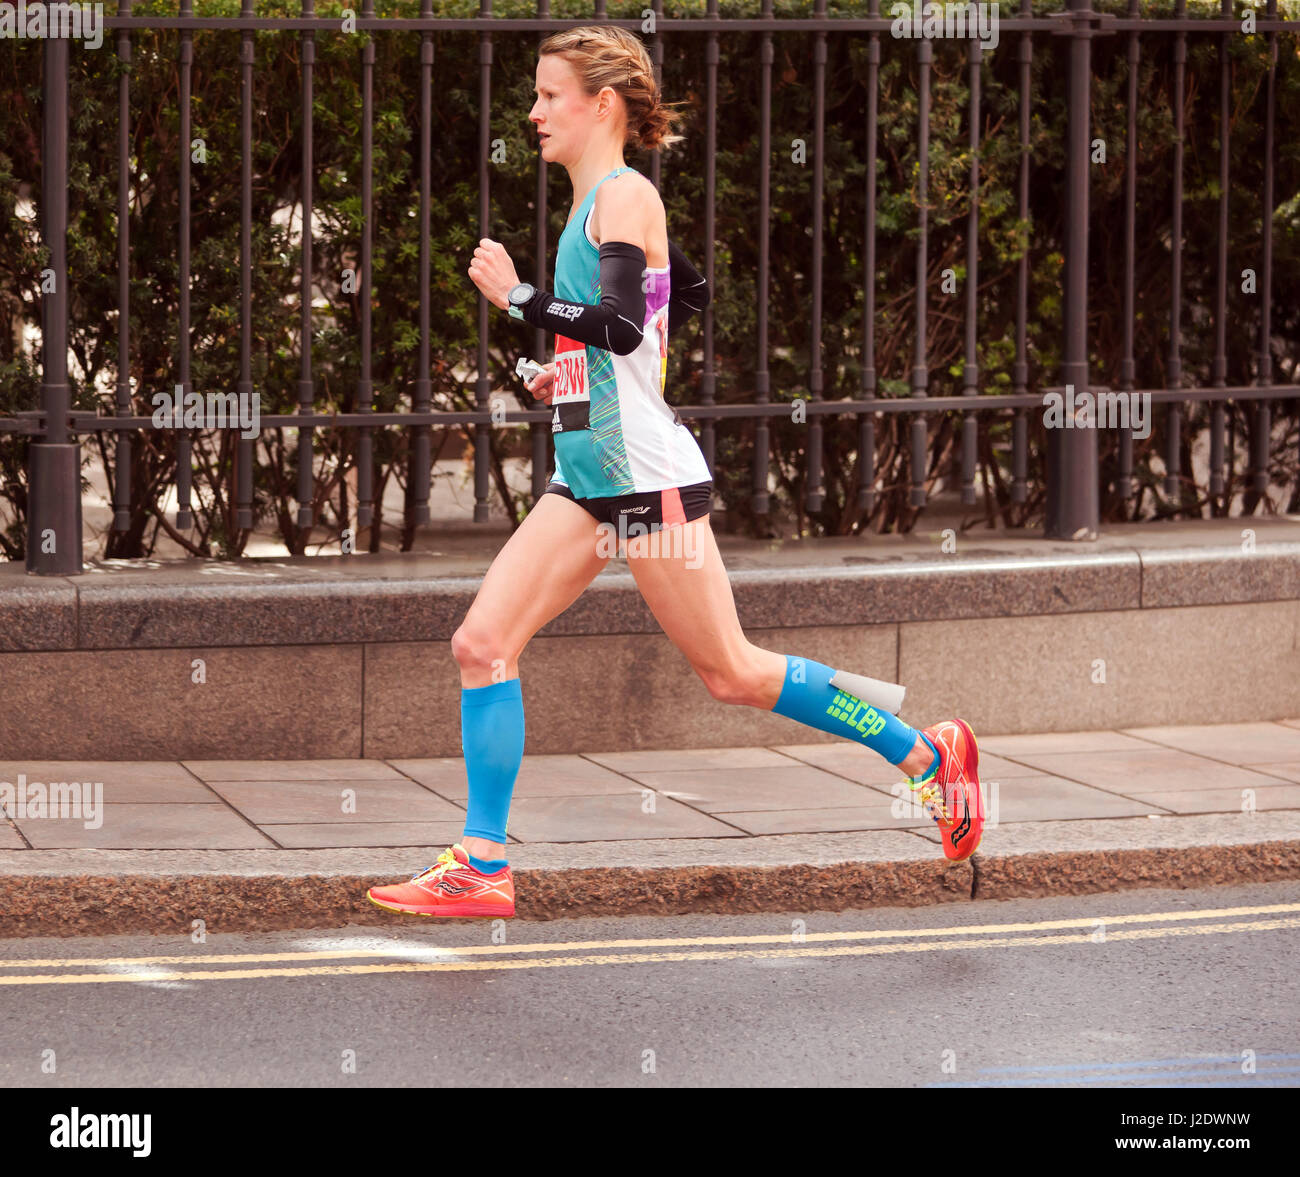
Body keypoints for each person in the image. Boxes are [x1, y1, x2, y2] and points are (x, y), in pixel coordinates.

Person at [367, 25, 983, 920]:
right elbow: (668, 307)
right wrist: (571, 373)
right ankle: (483, 863)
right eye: (535, 96)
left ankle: (927, 757)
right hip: (588, 477)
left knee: (731, 671)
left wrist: (522, 301)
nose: (534, 112)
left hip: (647, 483)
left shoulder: (626, 195)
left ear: (601, 104)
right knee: (481, 644)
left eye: (550, 95)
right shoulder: (601, 206)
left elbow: (620, 323)